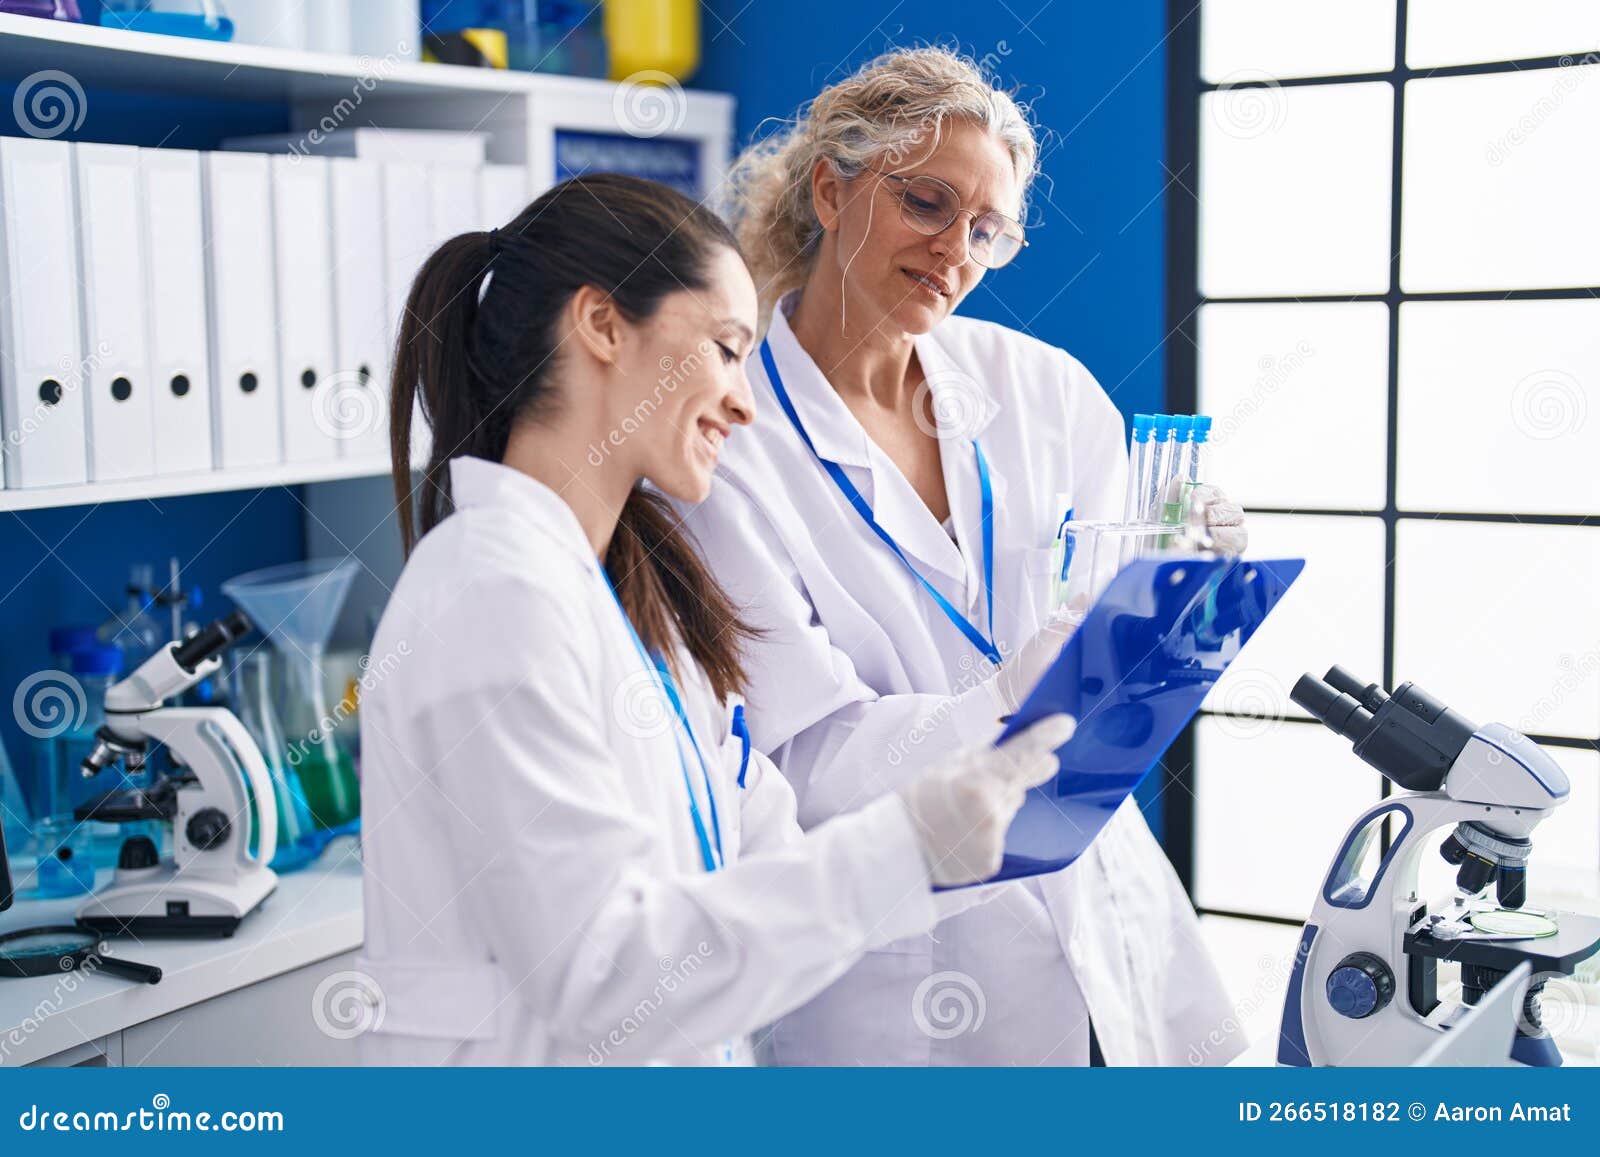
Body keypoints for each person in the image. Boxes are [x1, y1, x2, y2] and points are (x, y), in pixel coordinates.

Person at [354, 173, 1073, 1066]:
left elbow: (768, 862)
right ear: (603, 324)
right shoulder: (491, 593)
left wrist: (971, 809)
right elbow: (605, 974)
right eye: (728, 348)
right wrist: (910, 845)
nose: (745, 399)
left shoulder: (643, 615)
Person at [678, 47, 1249, 1066]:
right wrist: (1009, 699)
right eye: (928, 202)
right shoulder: (731, 438)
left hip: (1107, 917)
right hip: (908, 974)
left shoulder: (1046, 391)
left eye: (987, 229)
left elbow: (1119, 690)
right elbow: (801, 762)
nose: (955, 250)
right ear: (830, 186)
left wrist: (1184, 601)